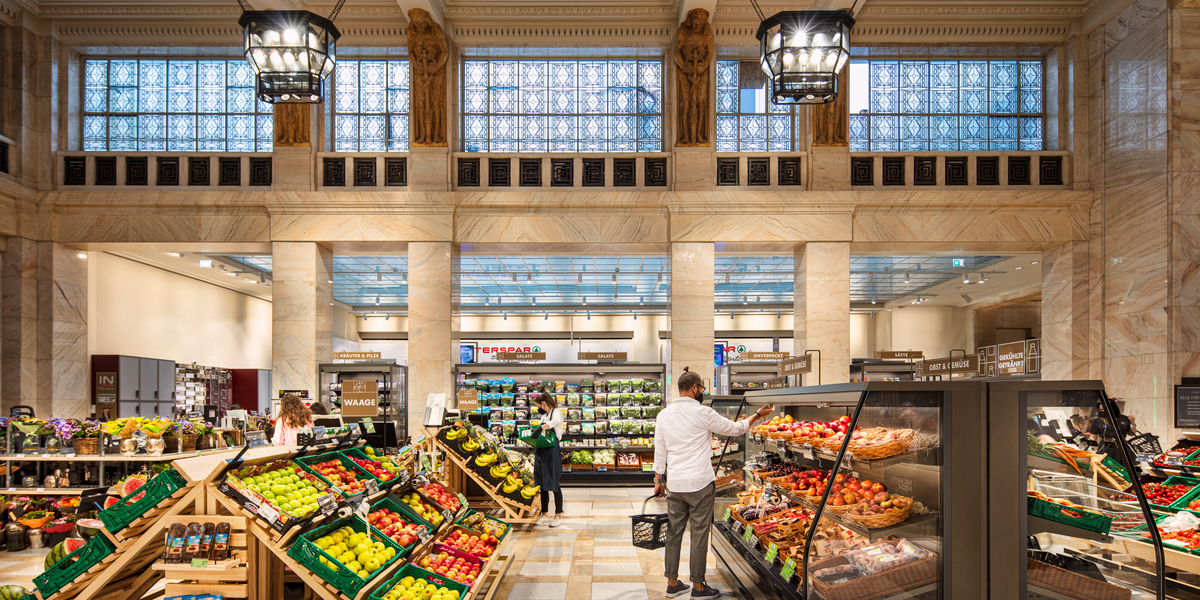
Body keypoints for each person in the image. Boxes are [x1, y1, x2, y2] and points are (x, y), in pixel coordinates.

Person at [654, 371, 774, 599]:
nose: (703, 392)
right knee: (699, 534)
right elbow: (737, 429)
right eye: (701, 388)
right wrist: (757, 415)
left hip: (676, 483)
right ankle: (698, 588)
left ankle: (672, 583)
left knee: (674, 533)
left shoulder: (664, 415)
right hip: (699, 482)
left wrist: (658, 480)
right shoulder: (703, 412)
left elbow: (660, 451)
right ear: (694, 388)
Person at [532, 392, 566, 527]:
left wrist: (541, 427)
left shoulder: (556, 412)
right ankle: (544, 514)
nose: (538, 408)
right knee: (542, 484)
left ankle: (558, 515)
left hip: (552, 451)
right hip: (542, 451)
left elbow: (556, 422)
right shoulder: (544, 416)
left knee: (554, 482)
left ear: (543, 403)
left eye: (538, 405)